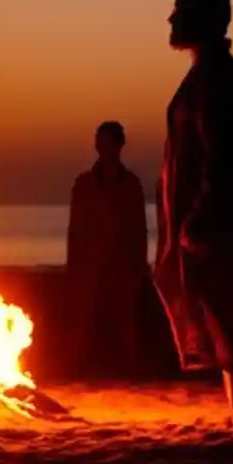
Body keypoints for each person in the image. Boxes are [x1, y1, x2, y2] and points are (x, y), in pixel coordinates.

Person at [152, 0, 233, 436]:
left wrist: (199, 217)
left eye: (180, 8)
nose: (171, 18)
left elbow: (223, 154)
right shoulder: (206, 74)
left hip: (217, 227)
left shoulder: (221, 77)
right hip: (202, 224)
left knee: (230, 319)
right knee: (220, 320)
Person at [66, 121, 148, 377]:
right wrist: (73, 267)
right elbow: (75, 229)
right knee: (83, 326)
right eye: (100, 142)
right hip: (89, 267)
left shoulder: (131, 184)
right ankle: (78, 373)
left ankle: (130, 374)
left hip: (121, 266)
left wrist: (140, 267)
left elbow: (139, 228)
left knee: (126, 326)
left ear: (119, 144)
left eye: (109, 141)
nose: (104, 147)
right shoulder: (84, 184)